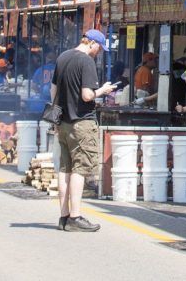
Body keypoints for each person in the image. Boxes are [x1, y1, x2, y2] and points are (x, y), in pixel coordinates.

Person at [51, 30, 114, 232]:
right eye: (99, 48)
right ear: (93, 43)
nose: (99, 52)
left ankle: (63, 217)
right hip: (82, 123)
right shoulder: (86, 62)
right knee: (80, 168)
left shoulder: (63, 57)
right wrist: (102, 91)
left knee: (65, 169)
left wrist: (55, 118)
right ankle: (75, 217)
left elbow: (53, 90)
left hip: (63, 122)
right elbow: (87, 95)